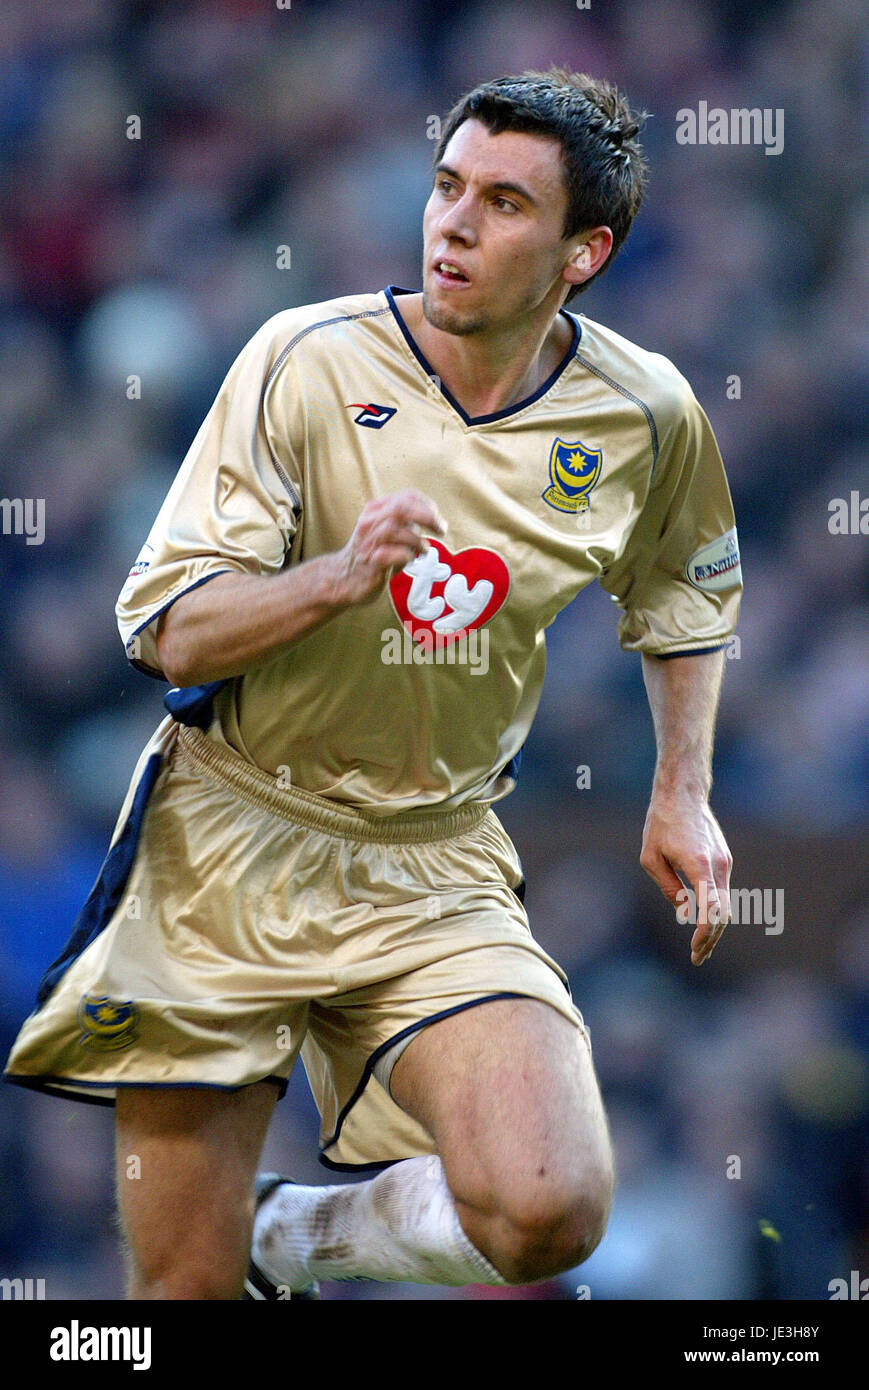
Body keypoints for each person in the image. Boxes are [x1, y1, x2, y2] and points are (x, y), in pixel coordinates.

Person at [4, 68, 741, 1299]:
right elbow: (174, 634)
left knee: (552, 1209)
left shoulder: (644, 411)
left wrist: (682, 792)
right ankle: (231, 1249)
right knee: (175, 1294)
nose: (451, 222)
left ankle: (289, 1235)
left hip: (433, 854)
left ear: (583, 251)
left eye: (503, 204)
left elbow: (684, 592)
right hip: (227, 838)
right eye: (446, 186)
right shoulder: (298, 361)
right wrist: (333, 582)